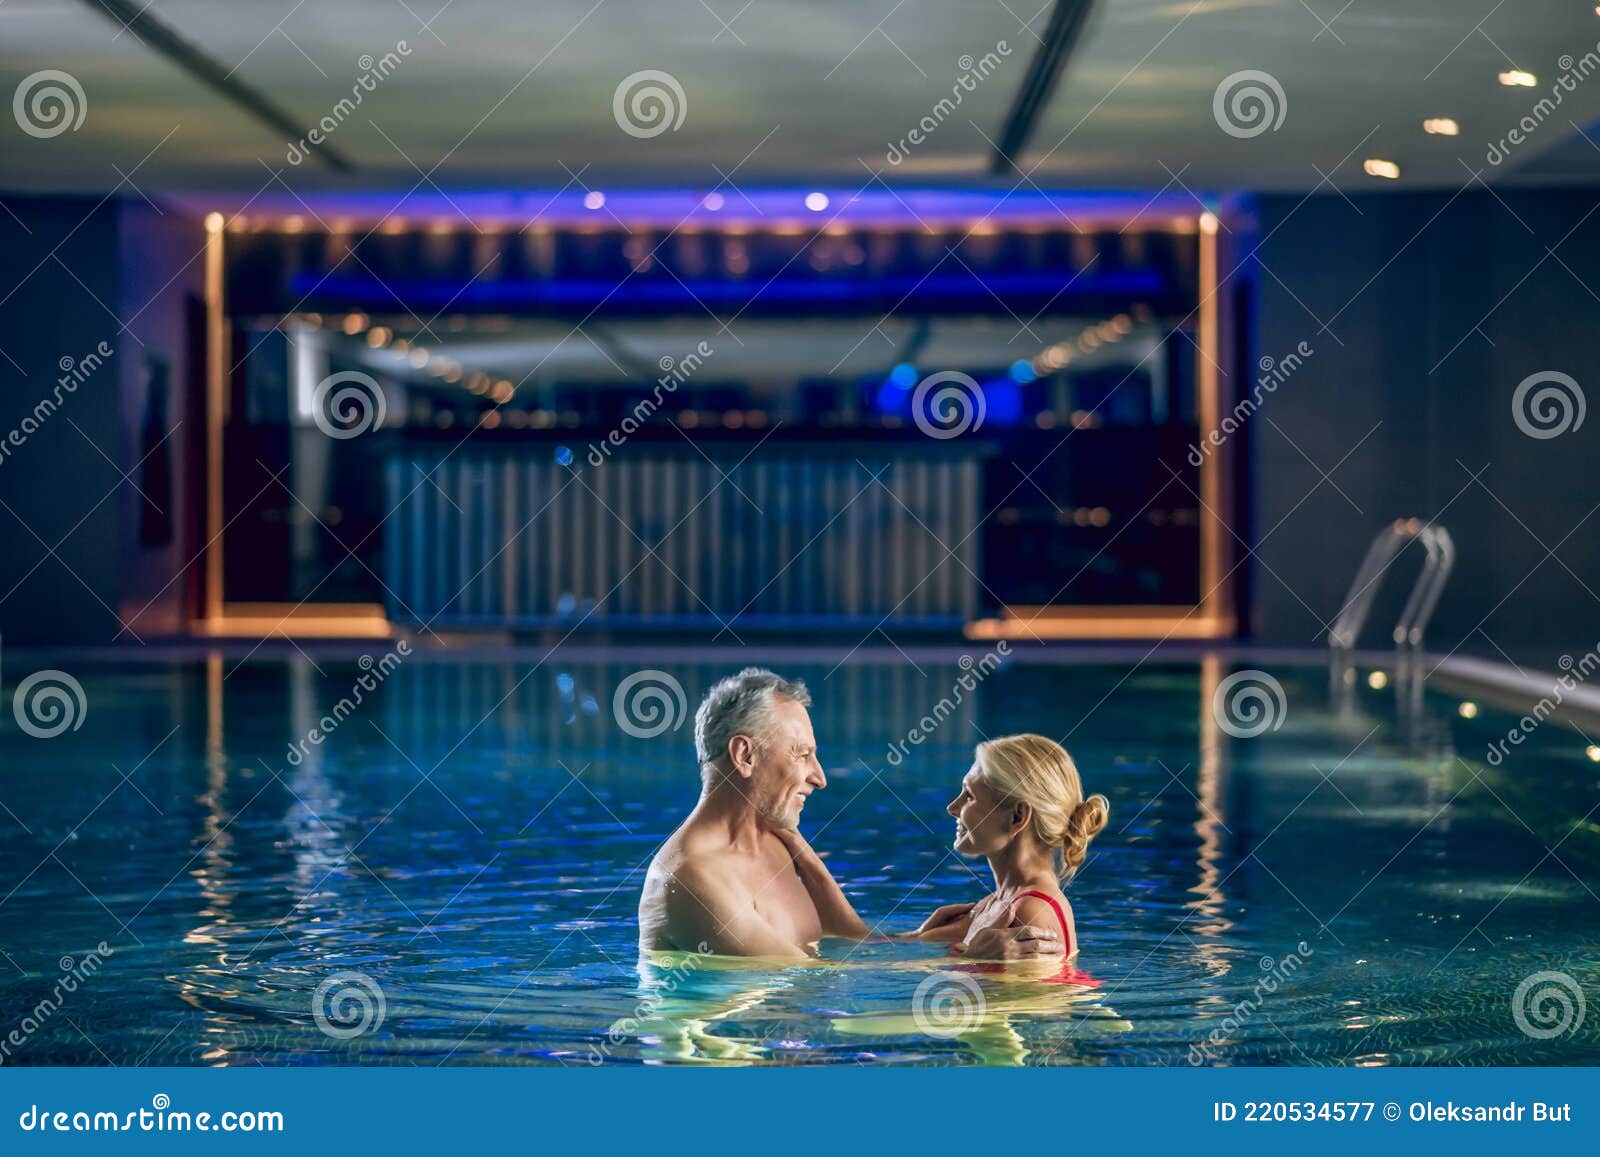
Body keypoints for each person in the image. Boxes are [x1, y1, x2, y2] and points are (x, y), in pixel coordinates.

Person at [638, 668, 868, 957]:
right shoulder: (692, 876)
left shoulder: (772, 835)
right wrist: (938, 967)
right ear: (745, 756)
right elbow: (810, 977)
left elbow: (852, 939)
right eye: (802, 755)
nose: (819, 777)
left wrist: (925, 939)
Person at [907, 734, 1108, 960]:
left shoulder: (1032, 911)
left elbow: (1039, 995)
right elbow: (867, 950)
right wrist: (919, 937)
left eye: (969, 796)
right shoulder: (994, 903)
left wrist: (973, 959)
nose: (952, 807)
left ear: (1017, 816)